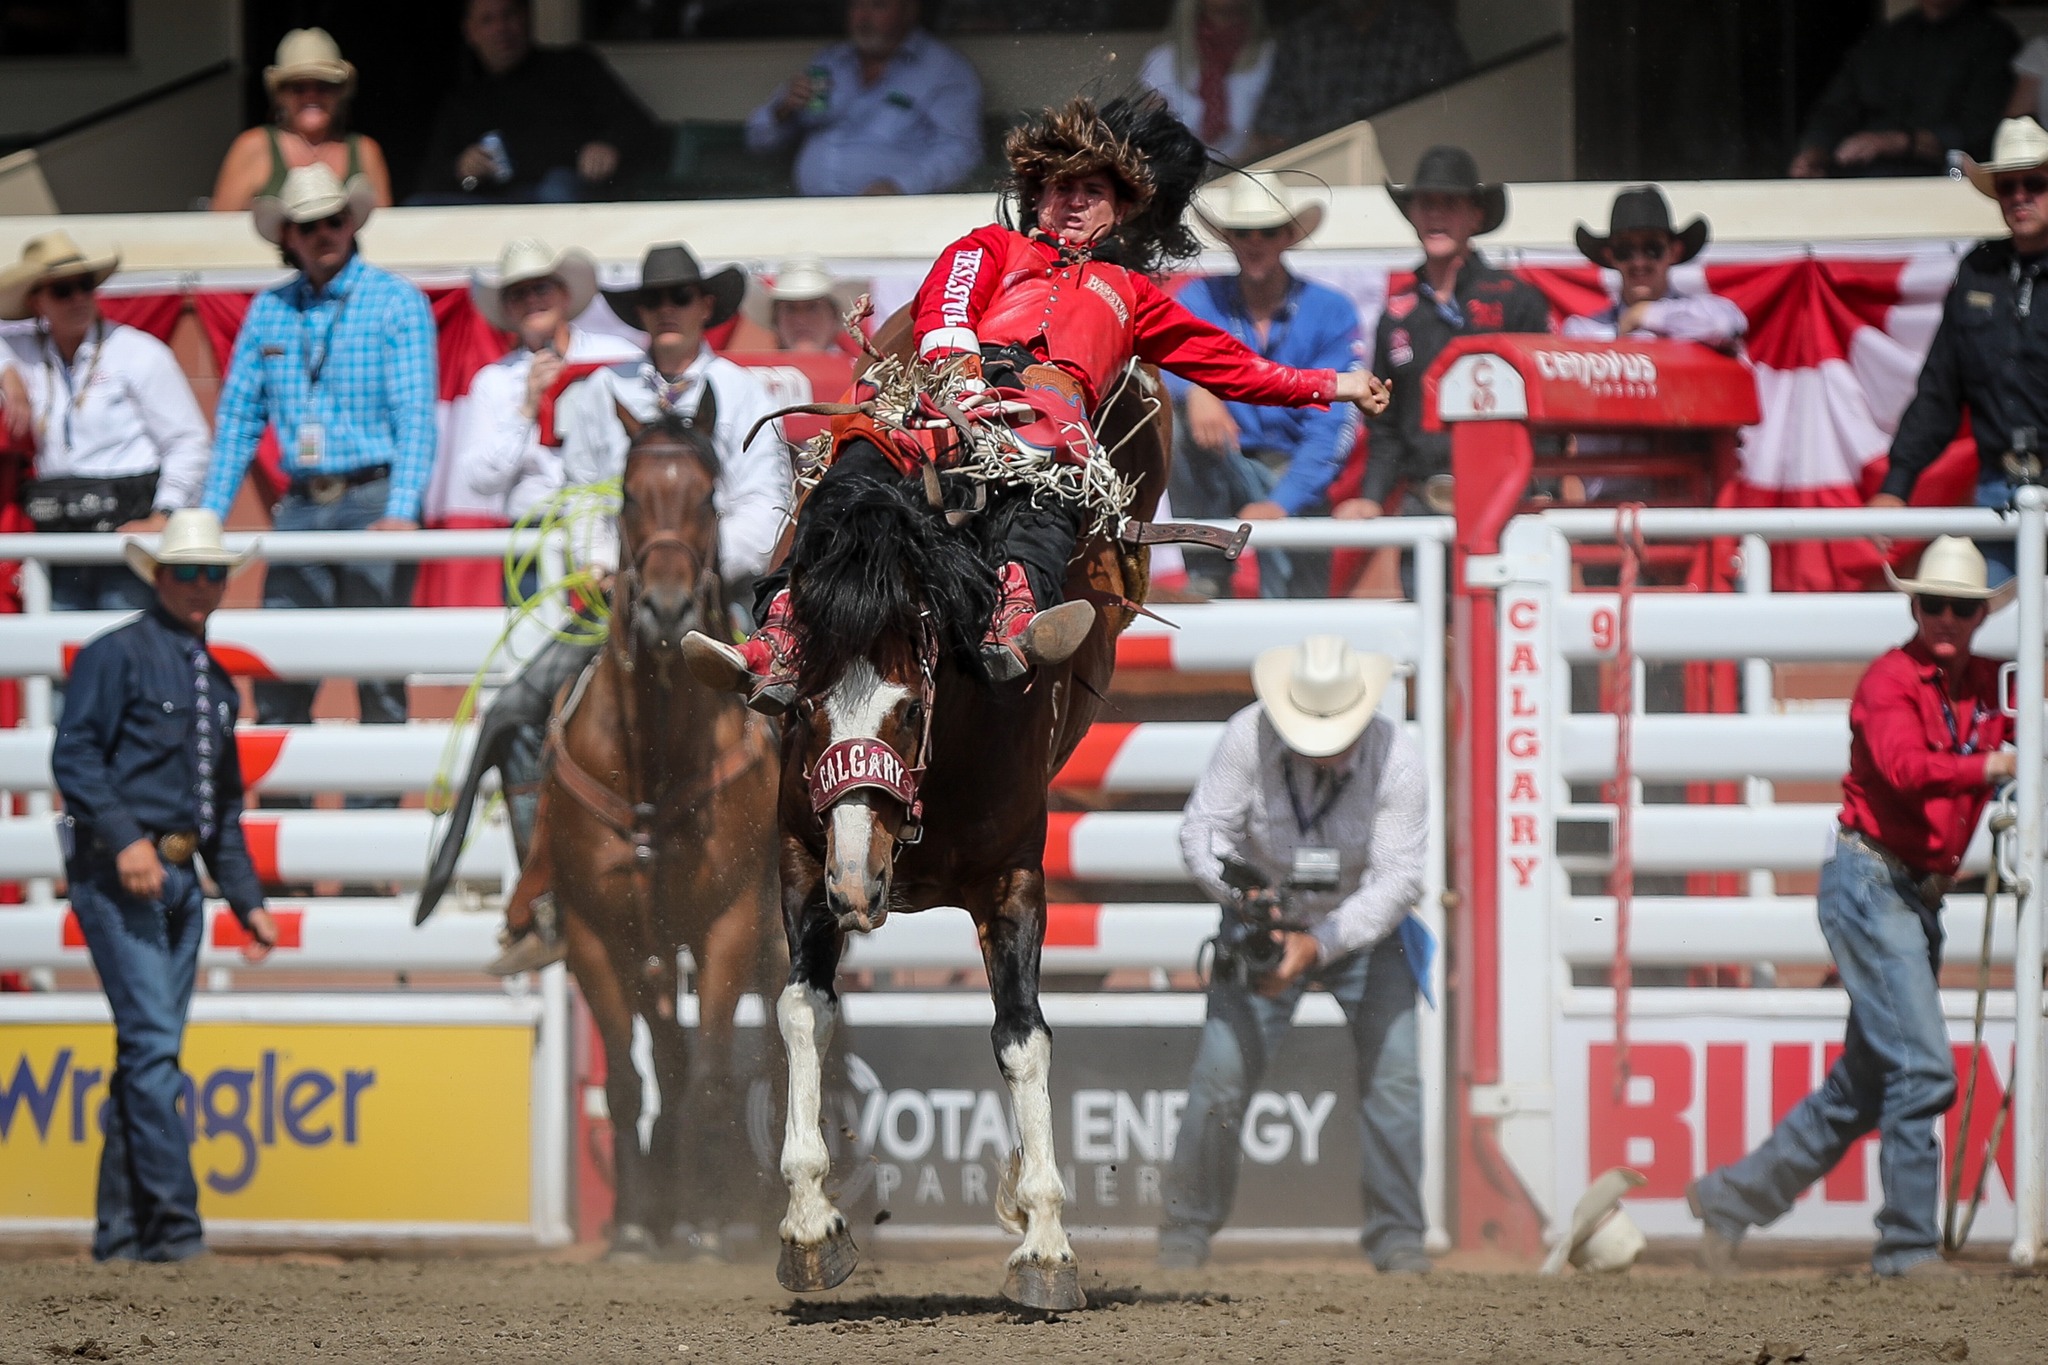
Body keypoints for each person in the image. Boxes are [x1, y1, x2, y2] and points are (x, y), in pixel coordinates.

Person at [684, 94, 1389, 712]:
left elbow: (1233, 366)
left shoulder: (1136, 296)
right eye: (1058, 188)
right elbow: (949, 303)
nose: (1073, 200)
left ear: (1120, 209)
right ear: (1036, 199)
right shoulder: (990, 245)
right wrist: (959, 381)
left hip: (1048, 417)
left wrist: (1335, 385)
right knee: (852, 465)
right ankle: (778, 630)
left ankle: (1015, 613)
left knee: (1051, 480)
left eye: (1091, 189)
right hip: (950, 396)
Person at [422, 241, 792, 973]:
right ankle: (551, 897)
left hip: (718, 597)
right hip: (621, 599)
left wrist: (702, 565)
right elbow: (584, 494)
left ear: (705, 308)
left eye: (681, 299)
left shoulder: (746, 393)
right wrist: (600, 559)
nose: (668, 314)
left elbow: (766, 501)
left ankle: (794, 894)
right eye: (656, 303)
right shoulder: (602, 395)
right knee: (519, 709)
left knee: (794, 707)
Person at [1688, 536, 2013, 1279]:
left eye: (1962, 607)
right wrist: (1991, 763)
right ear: (1914, 604)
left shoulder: (1991, 685)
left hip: (1904, 893)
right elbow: (1901, 769)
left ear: (1977, 615)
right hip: (1875, 883)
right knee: (1923, 1066)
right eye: (1935, 603)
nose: (1947, 618)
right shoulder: (1888, 683)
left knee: (1863, 1088)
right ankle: (1905, 1246)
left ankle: (1729, 1199)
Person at [1157, 635, 1432, 1273]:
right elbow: (1204, 832)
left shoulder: (1398, 762)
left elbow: (1398, 881)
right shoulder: (1246, 737)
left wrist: (1316, 942)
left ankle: (1399, 1237)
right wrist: (1246, 898)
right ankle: (1184, 1234)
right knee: (1219, 1078)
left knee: (1395, 1080)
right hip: (1265, 923)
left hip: (1361, 928)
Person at [52, 509, 280, 1262]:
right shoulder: (113, 657)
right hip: (124, 876)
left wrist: (247, 902)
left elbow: (223, 808)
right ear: (159, 575)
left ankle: (122, 1235)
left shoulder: (213, 681)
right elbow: (75, 756)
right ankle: (176, 1230)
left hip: (179, 879)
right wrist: (125, 840)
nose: (202, 585)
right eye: (189, 571)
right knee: (153, 1050)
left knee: (145, 1055)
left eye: (213, 573)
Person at [201, 164, 436, 738]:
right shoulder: (268, 310)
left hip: (373, 498)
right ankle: (291, 816)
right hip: (302, 502)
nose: (324, 232)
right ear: (290, 236)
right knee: (281, 670)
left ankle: (377, 825)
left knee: (377, 674)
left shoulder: (395, 300)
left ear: (351, 223)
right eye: (309, 225)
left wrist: (402, 511)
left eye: (333, 220)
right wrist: (207, 518)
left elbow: (415, 415)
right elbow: (236, 419)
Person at [1868, 117, 2048, 585]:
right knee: (1985, 638)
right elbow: (1939, 390)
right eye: (2008, 186)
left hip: (2010, 494)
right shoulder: (1979, 269)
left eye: (2034, 183)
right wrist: (1896, 485)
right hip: (1997, 492)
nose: (2020, 196)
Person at [1169, 170, 1361, 598]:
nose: (1255, 241)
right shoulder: (1197, 299)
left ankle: (1215, 575)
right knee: (1174, 424)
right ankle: (1206, 571)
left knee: (1303, 616)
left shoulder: (1332, 312)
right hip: (1224, 462)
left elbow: (1331, 427)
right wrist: (1193, 389)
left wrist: (1281, 503)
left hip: (1296, 473)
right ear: (1229, 238)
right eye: (1242, 232)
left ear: (1288, 236)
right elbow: (1155, 361)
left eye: (1268, 231)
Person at [1338, 146, 1549, 527]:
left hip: (1506, 500)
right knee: (1420, 588)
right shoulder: (1396, 315)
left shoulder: (1518, 300)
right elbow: (1384, 423)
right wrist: (1371, 497)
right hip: (1423, 502)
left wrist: (1544, 489)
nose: (1436, 215)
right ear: (1412, 215)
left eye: (1449, 203)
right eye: (1426, 204)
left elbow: (1545, 409)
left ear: (1475, 215)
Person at [0, 232, 210, 611]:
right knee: (59, 658)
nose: (78, 299)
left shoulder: (137, 353)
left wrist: (165, 513)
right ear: (36, 302)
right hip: (58, 539)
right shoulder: (25, 353)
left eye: (85, 286)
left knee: (122, 653)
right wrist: (7, 374)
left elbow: (188, 441)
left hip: (124, 535)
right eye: (62, 290)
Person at [432, 238, 642, 544]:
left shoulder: (620, 359)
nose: (531, 300)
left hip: (611, 521)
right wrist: (527, 408)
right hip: (535, 528)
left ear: (565, 296)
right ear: (506, 309)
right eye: (518, 294)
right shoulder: (494, 381)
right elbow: (478, 480)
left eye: (541, 288)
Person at [415, 0, 664, 205]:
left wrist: (609, 146)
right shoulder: (463, 100)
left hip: (561, 198)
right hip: (491, 207)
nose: (501, 28)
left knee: (558, 187)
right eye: (487, 20)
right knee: (417, 206)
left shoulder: (573, 67)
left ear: (527, 18)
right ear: (470, 33)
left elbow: (640, 126)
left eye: (509, 15)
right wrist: (461, 169)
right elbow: (431, 178)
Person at [743, 0, 982, 197]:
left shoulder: (944, 69)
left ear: (909, 11)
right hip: (810, 213)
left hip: (894, 218)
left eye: (877, 6)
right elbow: (758, 140)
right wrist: (782, 109)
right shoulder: (830, 61)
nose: (863, 18)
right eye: (856, 6)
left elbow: (961, 150)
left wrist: (899, 187)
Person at [1788, 0, 2016, 179]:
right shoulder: (1885, 39)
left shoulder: (1993, 40)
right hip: (1860, 184)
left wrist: (1896, 142)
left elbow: (1981, 129)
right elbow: (1835, 109)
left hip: (1944, 186)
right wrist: (1814, 151)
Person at [1246, 0, 1468, 160]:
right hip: (1320, 186)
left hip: (1406, 185)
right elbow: (1273, 136)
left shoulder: (1428, 34)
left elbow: (1455, 129)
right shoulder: (1302, 38)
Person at [210, 28, 392, 213]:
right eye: (298, 87)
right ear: (279, 95)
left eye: (323, 86)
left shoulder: (366, 151)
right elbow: (221, 231)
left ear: (340, 92)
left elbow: (385, 232)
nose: (311, 96)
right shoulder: (252, 147)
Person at [1562, 185, 1746, 350]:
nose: (1639, 262)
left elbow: (1724, 325)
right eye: (1625, 250)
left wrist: (1644, 314)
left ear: (1674, 252)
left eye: (1652, 249)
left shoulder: (1709, 314)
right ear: (1610, 256)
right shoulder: (1586, 331)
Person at [1137, 0, 1275, 163]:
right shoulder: (1162, 61)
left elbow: (1276, 139)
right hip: (1182, 178)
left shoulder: (1272, 58)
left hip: (1254, 175)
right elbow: (1153, 142)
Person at [744, 257, 864, 354]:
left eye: (813, 308)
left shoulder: (865, 378)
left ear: (834, 318)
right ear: (775, 321)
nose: (800, 320)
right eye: (790, 309)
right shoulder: (751, 379)